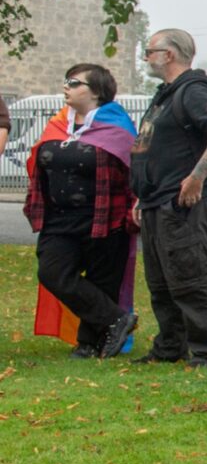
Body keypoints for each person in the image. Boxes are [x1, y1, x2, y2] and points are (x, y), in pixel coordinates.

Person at [129, 29, 207, 367]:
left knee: (189, 276)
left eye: (150, 51)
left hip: (182, 204)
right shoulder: (166, 94)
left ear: (170, 54)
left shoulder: (192, 91)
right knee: (160, 280)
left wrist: (197, 176)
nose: (146, 57)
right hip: (154, 200)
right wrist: (141, 195)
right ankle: (170, 346)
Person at [24, 65, 139, 358]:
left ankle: (89, 343)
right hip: (59, 218)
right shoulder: (58, 125)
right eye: (66, 81)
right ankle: (115, 318)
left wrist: (138, 201)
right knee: (53, 272)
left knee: (104, 279)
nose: (67, 87)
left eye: (75, 83)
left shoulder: (118, 126)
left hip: (105, 216)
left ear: (96, 91)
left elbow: (136, 170)